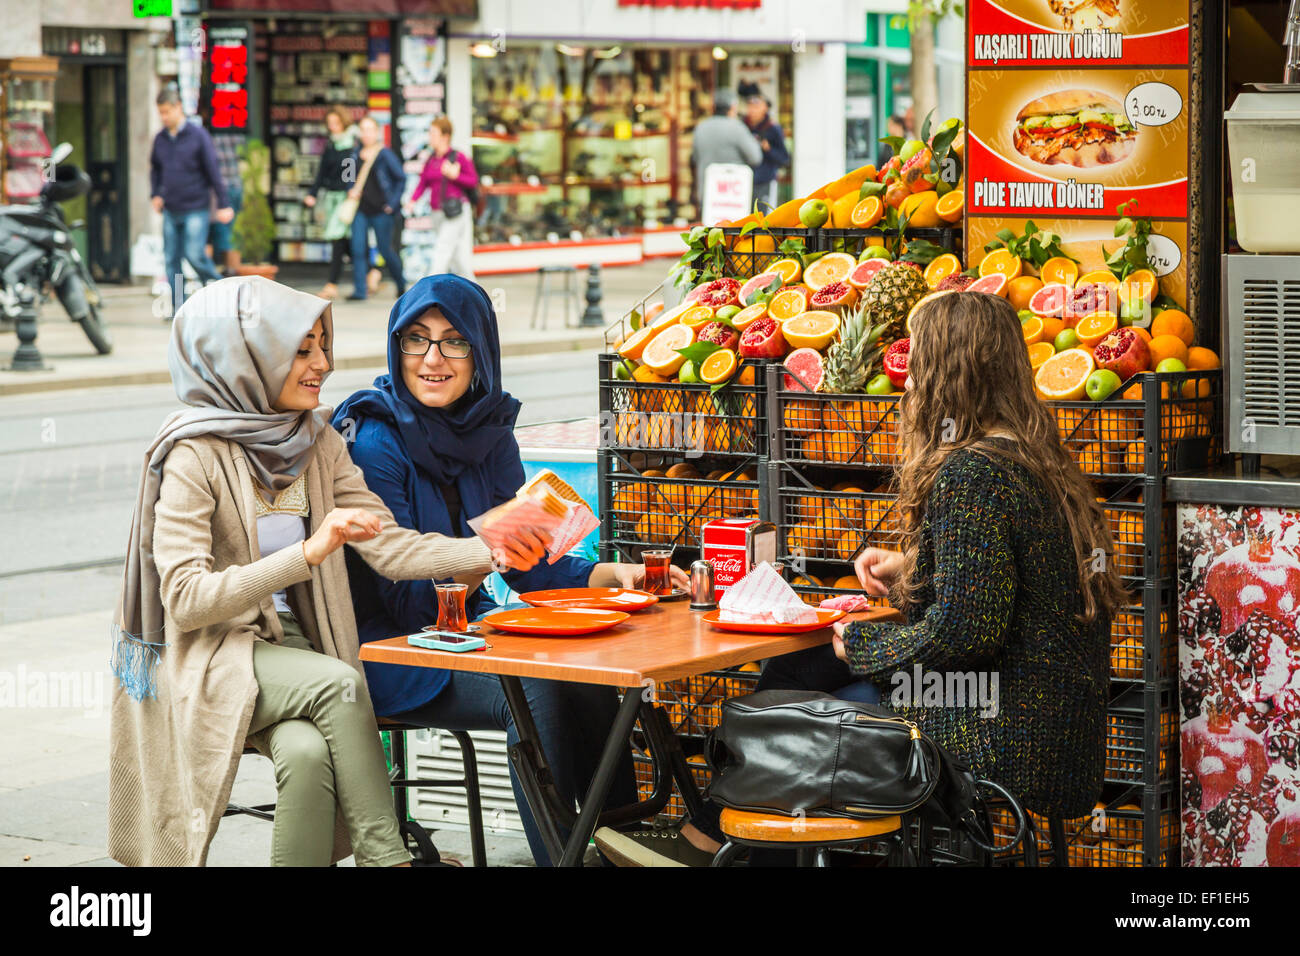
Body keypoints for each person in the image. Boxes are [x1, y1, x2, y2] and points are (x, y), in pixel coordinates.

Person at [596, 292, 1126, 866]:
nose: (908, 385)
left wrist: (867, 644)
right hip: (1059, 732)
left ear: (948, 373)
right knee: (799, 668)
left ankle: (713, 849)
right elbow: (1008, 580)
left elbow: (965, 636)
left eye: (918, 365)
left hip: (999, 733)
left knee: (788, 717)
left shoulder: (972, 474)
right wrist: (919, 566)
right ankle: (710, 843)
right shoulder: (1037, 459)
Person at [106, 276, 545, 867]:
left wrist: (493, 552)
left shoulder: (318, 441)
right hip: (216, 650)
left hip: (301, 648)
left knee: (309, 756)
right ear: (250, 357)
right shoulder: (194, 454)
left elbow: (391, 549)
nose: (324, 364)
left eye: (323, 346)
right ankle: (386, 858)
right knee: (342, 683)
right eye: (302, 350)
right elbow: (186, 600)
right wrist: (308, 553)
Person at [332, 273, 689, 866]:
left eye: (454, 341)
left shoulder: (490, 432)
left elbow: (530, 567)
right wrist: (487, 555)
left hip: (467, 633)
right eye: (416, 340)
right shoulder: (374, 438)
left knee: (593, 673)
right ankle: (562, 859)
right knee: (533, 684)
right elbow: (401, 581)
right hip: (388, 649)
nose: (433, 359)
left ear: (482, 351)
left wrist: (613, 577)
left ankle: (618, 845)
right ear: (396, 348)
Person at [150, 88, 233, 314]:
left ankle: (222, 290)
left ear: (178, 107)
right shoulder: (160, 139)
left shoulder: (198, 136)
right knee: (171, 261)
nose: (164, 117)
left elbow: (213, 171)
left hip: (196, 206)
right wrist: (155, 194)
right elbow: (155, 170)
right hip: (170, 208)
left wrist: (224, 203)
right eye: (161, 113)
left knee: (194, 254)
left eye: (167, 111)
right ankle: (180, 308)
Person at [407, 116, 478, 280]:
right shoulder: (431, 159)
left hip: (456, 211)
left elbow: (473, 181)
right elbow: (423, 182)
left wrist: (456, 175)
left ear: (445, 137)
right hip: (437, 212)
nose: (429, 137)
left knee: (443, 249)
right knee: (459, 258)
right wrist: (412, 201)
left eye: (433, 133)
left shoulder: (458, 157)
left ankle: (430, 287)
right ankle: (475, 292)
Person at [347, 115, 406, 301]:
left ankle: (401, 284)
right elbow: (346, 178)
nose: (366, 134)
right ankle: (359, 290)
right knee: (357, 249)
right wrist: (350, 190)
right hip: (360, 210)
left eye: (370, 130)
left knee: (385, 250)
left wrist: (392, 204)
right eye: (363, 130)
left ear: (376, 132)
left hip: (382, 210)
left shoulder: (385, 154)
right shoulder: (353, 154)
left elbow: (401, 177)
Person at [304, 106, 358, 300]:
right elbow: (322, 172)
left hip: (344, 200)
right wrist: (313, 193)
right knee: (345, 242)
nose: (333, 127)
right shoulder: (331, 145)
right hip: (331, 198)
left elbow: (349, 172)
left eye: (336, 123)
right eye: (330, 124)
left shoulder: (351, 143)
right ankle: (371, 270)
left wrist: (348, 190)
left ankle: (332, 283)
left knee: (338, 241)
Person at [690, 88, 762, 214]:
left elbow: (695, 158)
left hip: (708, 197)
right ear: (732, 107)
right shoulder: (737, 128)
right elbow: (755, 157)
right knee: (735, 233)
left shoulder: (700, 128)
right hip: (734, 199)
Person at [738, 82, 789, 211]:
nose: (752, 110)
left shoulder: (773, 128)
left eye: (756, 106)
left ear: (765, 107)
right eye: (750, 106)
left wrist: (769, 150)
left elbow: (784, 158)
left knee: (763, 218)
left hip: (765, 182)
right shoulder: (742, 126)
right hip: (743, 182)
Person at [207, 134, 242, 278]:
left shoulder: (207, 135)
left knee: (215, 234)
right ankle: (232, 275)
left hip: (218, 189)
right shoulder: (234, 132)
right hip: (235, 185)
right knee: (232, 232)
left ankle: (212, 278)